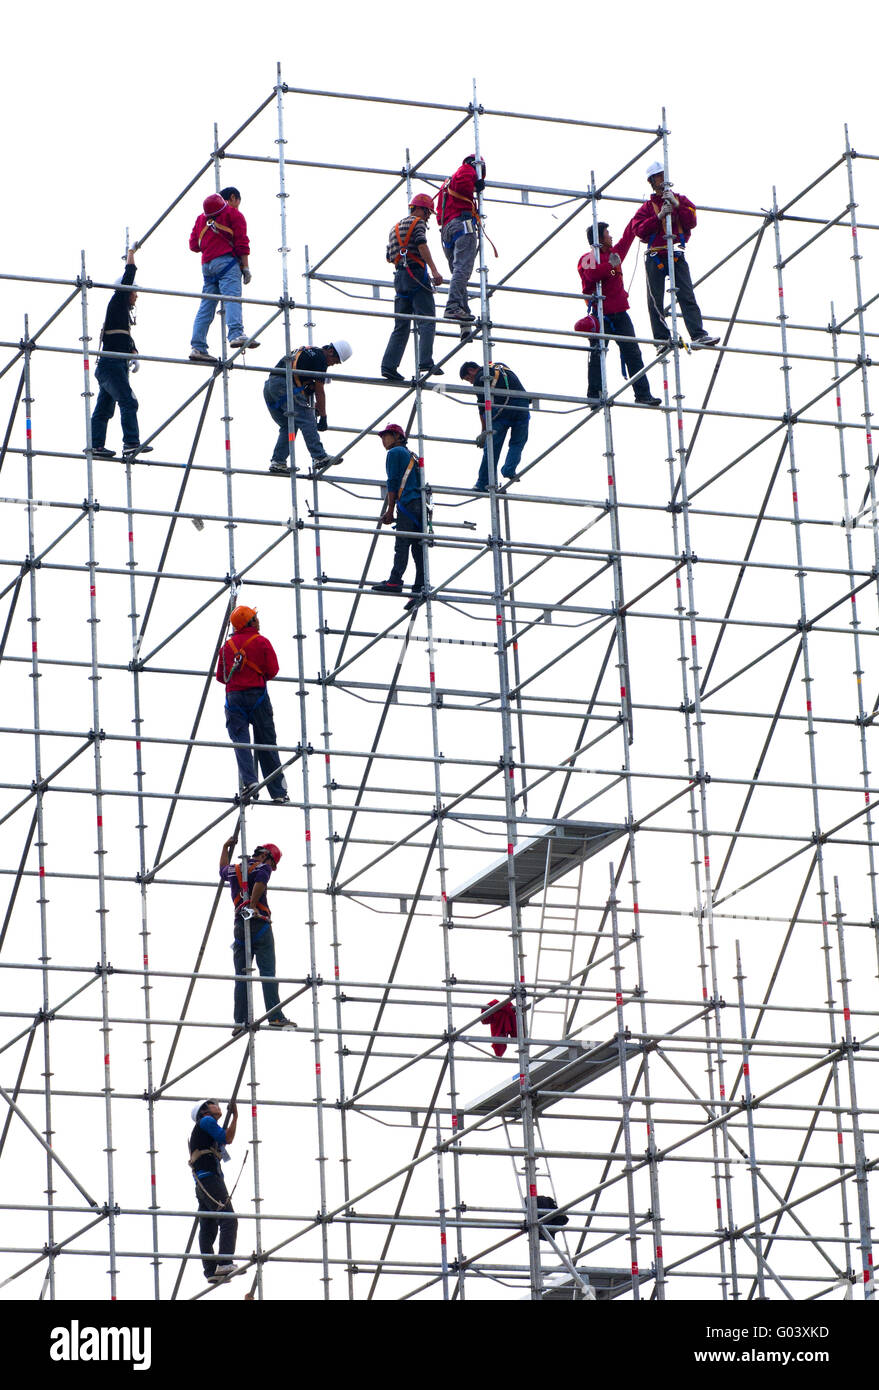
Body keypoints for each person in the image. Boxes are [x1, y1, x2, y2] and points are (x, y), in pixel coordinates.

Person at [630, 161, 719, 349]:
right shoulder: (647, 208)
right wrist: (659, 216)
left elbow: (692, 221)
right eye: (659, 176)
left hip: (676, 253)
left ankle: (698, 334)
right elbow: (638, 229)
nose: (662, 179)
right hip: (655, 255)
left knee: (686, 294)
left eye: (664, 175)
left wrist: (677, 205)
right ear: (651, 181)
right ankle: (661, 339)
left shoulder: (681, 200)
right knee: (655, 299)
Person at [578, 222, 661, 406]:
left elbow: (627, 238)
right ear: (599, 238)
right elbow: (592, 275)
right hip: (601, 314)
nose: (611, 236)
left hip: (620, 313)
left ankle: (642, 394)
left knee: (633, 353)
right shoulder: (588, 258)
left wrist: (638, 220)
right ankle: (594, 395)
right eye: (607, 233)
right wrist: (611, 266)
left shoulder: (613, 255)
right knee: (597, 354)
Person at [219, 837, 296, 1032]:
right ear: (265, 856)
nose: (271, 866)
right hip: (259, 924)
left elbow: (222, 870)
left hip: (239, 926)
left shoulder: (235, 870)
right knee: (268, 973)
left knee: (242, 976)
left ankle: (239, 1022)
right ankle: (275, 1016)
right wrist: (253, 905)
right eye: (272, 862)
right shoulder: (263, 867)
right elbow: (261, 881)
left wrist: (225, 847)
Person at [215, 605, 289, 802]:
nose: (258, 620)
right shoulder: (261, 642)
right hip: (257, 696)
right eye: (256, 617)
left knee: (241, 742)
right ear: (251, 622)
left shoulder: (226, 648)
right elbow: (272, 670)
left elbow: (222, 677)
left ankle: (250, 782)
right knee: (266, 742)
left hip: (234, 699)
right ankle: (278, 792)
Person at [88, 249, 154, 461]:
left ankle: (96, 445)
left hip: (112, 366)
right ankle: (131, 443)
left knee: (105, 407)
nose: (136, 296)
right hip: (112, 366)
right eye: (134, 292)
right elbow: (128, 278)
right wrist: (131, 256)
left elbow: (122, 338)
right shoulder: (117, 302)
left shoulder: (120, 315)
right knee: (129, 401)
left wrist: (133, 352)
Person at [381, 194, 445, 382]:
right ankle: (425, 361)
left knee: (401, 325)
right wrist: (434, 270)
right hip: (415, 274)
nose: (428, 218)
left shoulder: (394, 228)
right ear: (422, 209)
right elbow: (421, 244)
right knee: (426, 320)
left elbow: (389, 256)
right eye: (428, 214)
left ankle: (389, 366)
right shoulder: (418, 223)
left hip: (400, 278)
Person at [263, 341, 352, 474]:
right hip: (284, 386)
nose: (333, 364)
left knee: (289, 425)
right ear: (331, 351)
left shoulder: (310, 353)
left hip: (271, 387)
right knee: (307, 419)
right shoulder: (320, 358)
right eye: (335, 360)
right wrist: (323, 417)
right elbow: (319, 391)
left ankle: (278, 462)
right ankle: (319, 456)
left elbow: (306, 384)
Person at [189, 191, 255, 362]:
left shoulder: (200, 219)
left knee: (206, 307)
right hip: (226, 263)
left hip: (207, 267)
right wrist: (246, 267)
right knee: (232, 298)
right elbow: (241, 242)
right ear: (231, 200)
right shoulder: (233, 214)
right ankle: (235, 334)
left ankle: (197, 347)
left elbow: (194, 246)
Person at [370, 423, 426, 610]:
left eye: (386, 436)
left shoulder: (394, 453)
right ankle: (420, 589)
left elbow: (392, 484)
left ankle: (395, 581)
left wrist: (390, 510)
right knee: (419, 549)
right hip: (422, 507)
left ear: (397, 436)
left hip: (408, 504)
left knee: (402, 544)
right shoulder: (412, 455)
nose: (383, 440)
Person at [459, 360, 530, 491]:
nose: (470, 382)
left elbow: (482, 408)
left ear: (471, 370)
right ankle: (509, 469)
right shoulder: (500, 366)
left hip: (503, 410)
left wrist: (484, 431)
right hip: (522, 405)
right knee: (518, 442)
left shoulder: (481, 378)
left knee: (491, 448)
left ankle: (483, 483)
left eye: (468, 379)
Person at [189, 1098, 238, 1283]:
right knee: (229, 1219)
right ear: (204, 1111)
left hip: (202, 1182)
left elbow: (224, 1140)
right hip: (210, 1179)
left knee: (208, 1227)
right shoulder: (207, 1121)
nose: (218, 1106)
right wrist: (235, 1116)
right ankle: (225, 1261)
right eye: (213, 1104)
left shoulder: (205, 1130)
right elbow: (228, 1138)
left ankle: (210, 1271)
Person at [435, 154, 486, 324]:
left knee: (459, 272)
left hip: (447, 229)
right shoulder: (466, 170)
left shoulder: (447, 183)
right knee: (462, 270)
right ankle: (453, 306)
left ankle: (463, 313)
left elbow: (439, 212)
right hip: (462, 225)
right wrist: (475, 185)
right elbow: (465, 183)